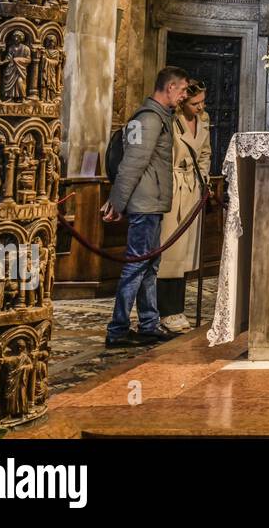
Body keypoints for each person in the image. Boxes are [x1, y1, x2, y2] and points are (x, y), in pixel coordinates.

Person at [102, 66, 189, 347]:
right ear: (170, 87)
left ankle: (149, 323)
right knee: (135, 266)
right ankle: (117, 328)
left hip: (151, 203)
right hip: (143, 204)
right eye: (183, 90)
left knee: (150, 265)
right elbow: (131, 164)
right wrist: (117, 202)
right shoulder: (148, 119)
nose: (185, 96)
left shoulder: (161, 118)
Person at [158, 79, 212, 332]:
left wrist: (202, 179)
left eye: (202, 102)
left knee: (185, 254)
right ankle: (167, 311)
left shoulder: (203, 120)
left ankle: (177, 308)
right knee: (170, 252)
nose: (200, 107)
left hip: (193, 188)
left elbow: (205, 153)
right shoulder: (171, 120)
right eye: (194, 103)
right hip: (173, 186)